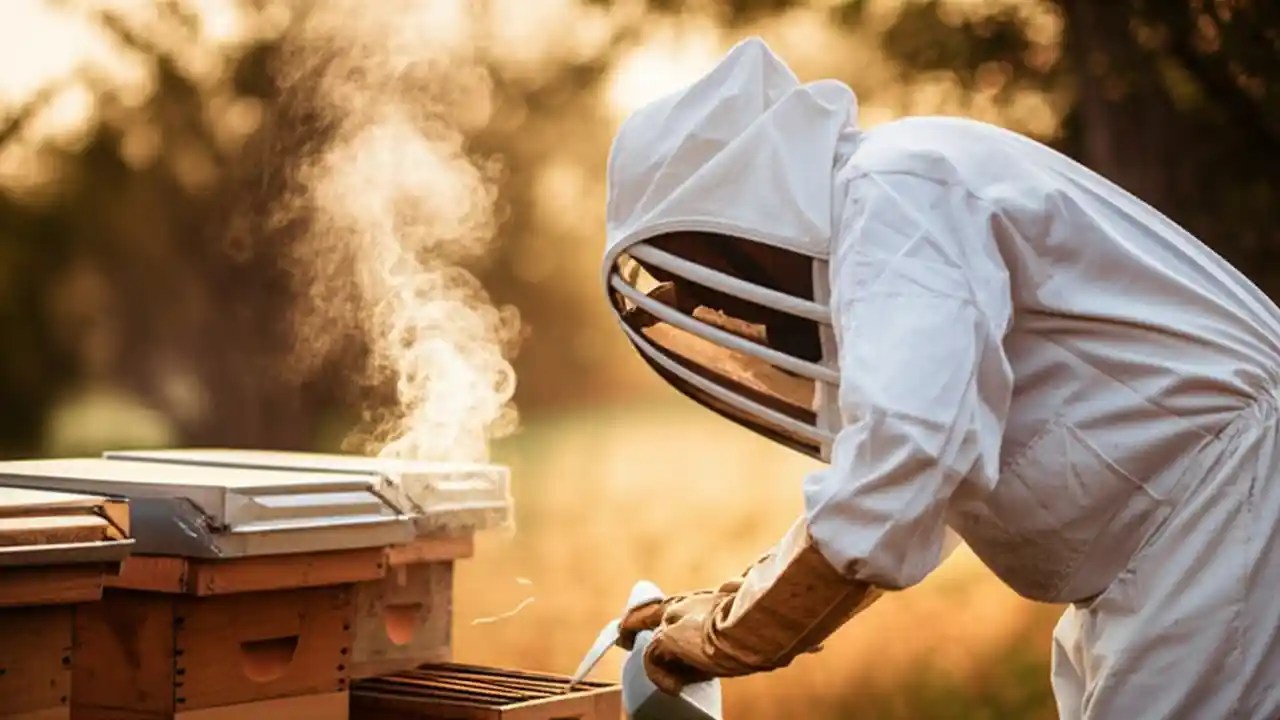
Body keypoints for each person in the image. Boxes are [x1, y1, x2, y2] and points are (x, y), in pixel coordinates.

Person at [601, 36, 1280, 720]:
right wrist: (737, 597)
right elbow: (921, 467)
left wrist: (732, 632)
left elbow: (909, 453)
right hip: (1171, 547)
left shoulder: (897, 196)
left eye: (699, 270)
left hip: (1224, 512)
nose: (710, 304)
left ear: (743, 210)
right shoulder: (885, 205)